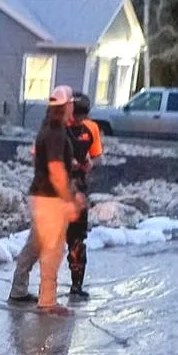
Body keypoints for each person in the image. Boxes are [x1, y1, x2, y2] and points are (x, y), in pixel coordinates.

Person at [8, 86, 85, 315]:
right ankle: (47, 301)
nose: (73, 107)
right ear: (67, 105)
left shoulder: (48, 128)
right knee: (52, 250)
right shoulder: (56, 132)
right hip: (50, 199)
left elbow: (47, 160)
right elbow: (55, 170)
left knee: (35, 245)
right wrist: (70, 198)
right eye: (71, 104)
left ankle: (18, 290)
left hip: (40, 196)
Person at [66, 92, 105, 302]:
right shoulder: (58, 127)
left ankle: (77, 285)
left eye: (81, 115)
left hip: (78, 189)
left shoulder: (91, 128)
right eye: (75, 115)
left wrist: (90, 163)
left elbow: (98, 156)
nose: (77, 119)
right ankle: (45, 287)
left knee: (77, 240)